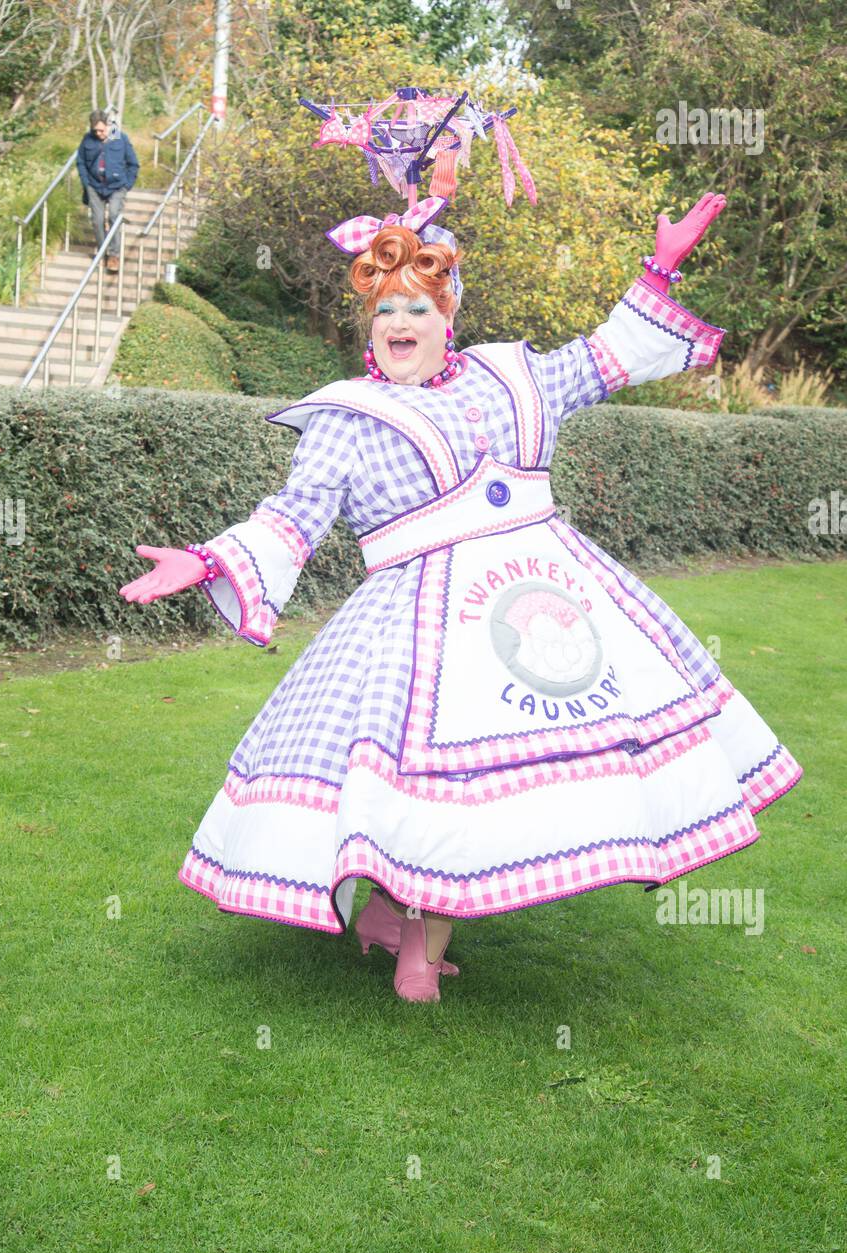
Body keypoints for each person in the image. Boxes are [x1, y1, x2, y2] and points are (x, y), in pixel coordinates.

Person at [120, 190, 803, 1004]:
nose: (397, 322)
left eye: (416, 305)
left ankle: (399, 927)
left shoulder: (512, 377)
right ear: (368, 326)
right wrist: (206, 562)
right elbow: (292, 518)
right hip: (416, 626)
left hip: (542, 599)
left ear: (449, 314)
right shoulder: (349, 416)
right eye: (382, 310)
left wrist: (657, 269)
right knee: (431, 780)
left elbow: (605, 356)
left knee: (467, 779)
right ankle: (413, 955)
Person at [75, 110, 139, 272]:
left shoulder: (120, 137)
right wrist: (86, 182)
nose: (99, 133)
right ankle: (103, 251)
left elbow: (133, 163)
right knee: (97, 220)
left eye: (101, 130)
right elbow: (81, 161)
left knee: (113, 215)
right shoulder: (88, 139)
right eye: (95, 130)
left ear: (108, 126)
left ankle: (114, 255)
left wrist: (127, 185)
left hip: (117, 186)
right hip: (94, 185)